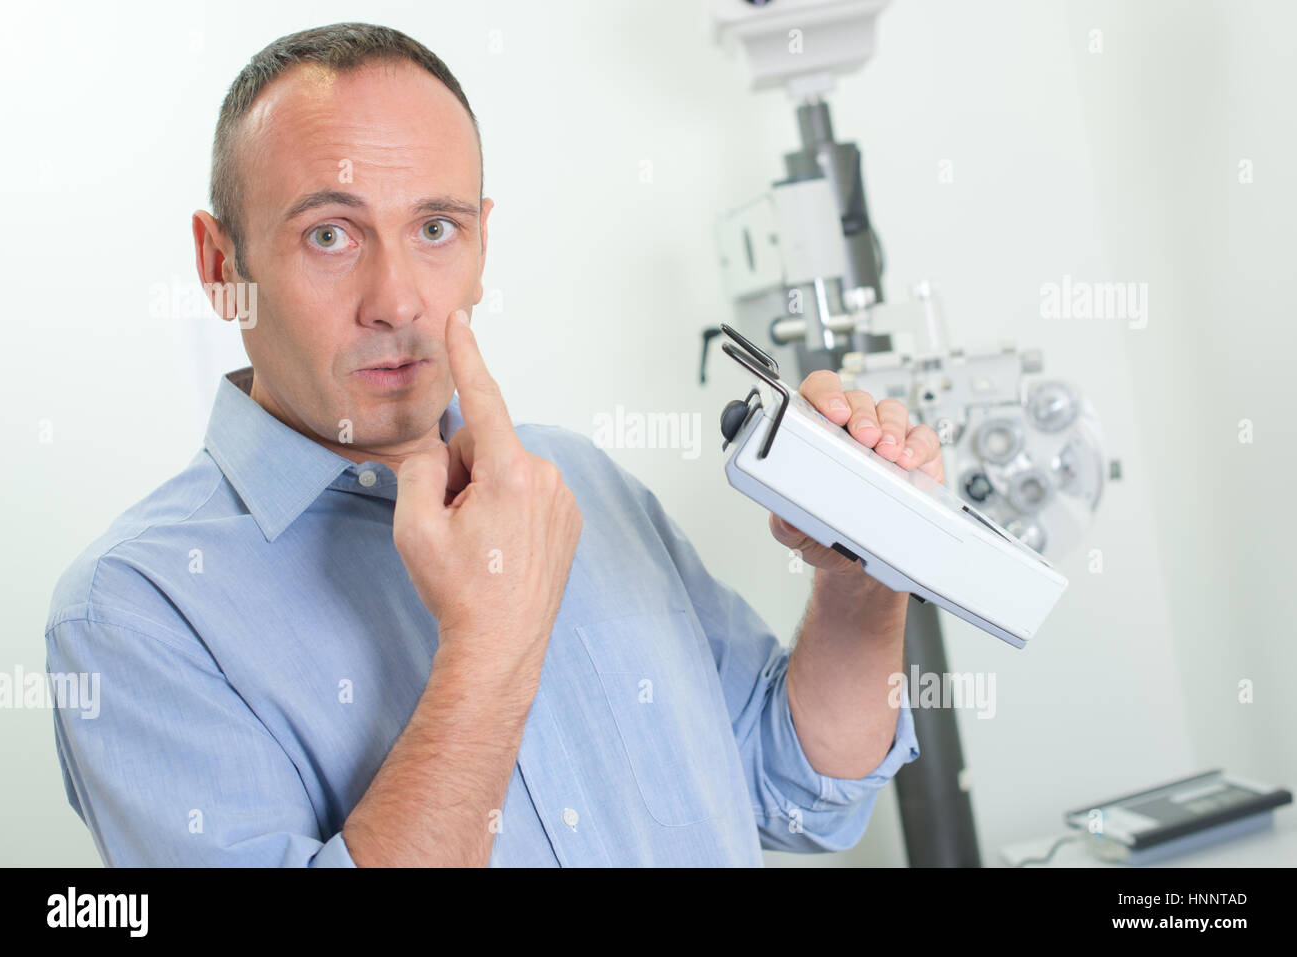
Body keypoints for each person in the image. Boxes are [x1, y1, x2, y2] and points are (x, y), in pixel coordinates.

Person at [45, 23, 942, 867]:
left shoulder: (577, 483)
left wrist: (862, 577)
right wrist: (492, 642)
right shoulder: (136, 610)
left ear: (480, 244)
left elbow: (799, 788)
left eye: (436, 229)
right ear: (220, 267)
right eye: (329, 234)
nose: (396, 299)